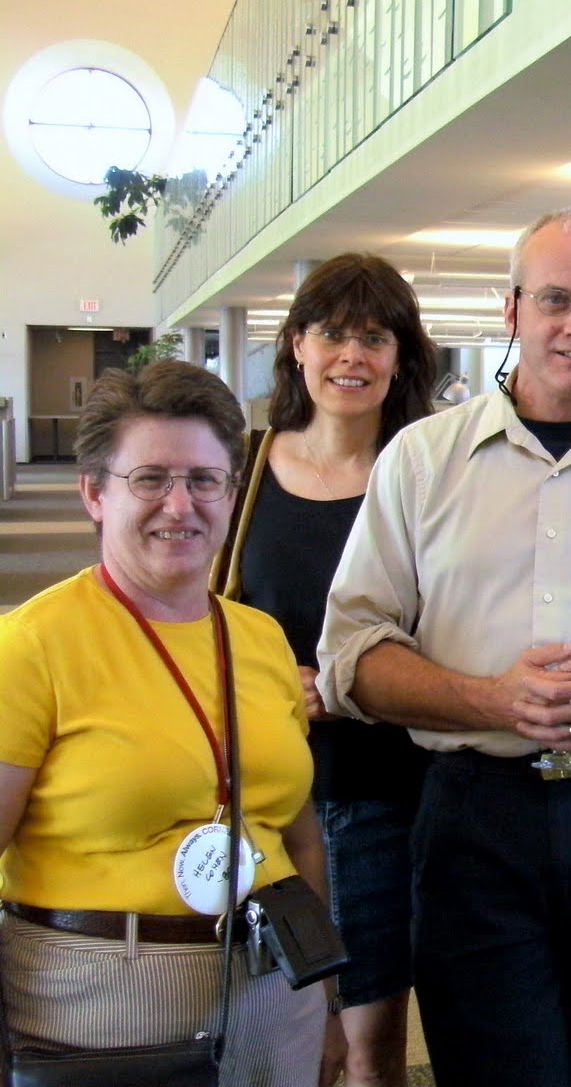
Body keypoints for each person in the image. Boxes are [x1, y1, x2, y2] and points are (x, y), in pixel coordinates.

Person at [318, 207, 571, 1087]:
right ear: (512, 311)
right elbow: (353, 652)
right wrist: (491, 700)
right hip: (476, 821)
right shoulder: (420, 461)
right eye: (554, 299)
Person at [0, 360, 334, 1083]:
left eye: (203, 480)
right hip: (99, 1006)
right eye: (150, 479)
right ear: (94, 492)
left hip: (272, 988)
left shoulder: (259, 638)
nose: (179, 506)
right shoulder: (32, 644)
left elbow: (299, 832)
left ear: (232, 492)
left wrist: (325, 999)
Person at [212, 253, 439, 1087]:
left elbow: (457, 621)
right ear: (298, 345)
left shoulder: (423, 472)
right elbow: (200, 619)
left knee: (374, 1045)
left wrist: (353, 681)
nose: (352, 355)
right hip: (269, 796)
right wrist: (276, 688)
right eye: (333, 333)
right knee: (291, 1040)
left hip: (388, 788)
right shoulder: (242, 468)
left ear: (401, 358)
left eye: (375, 337)